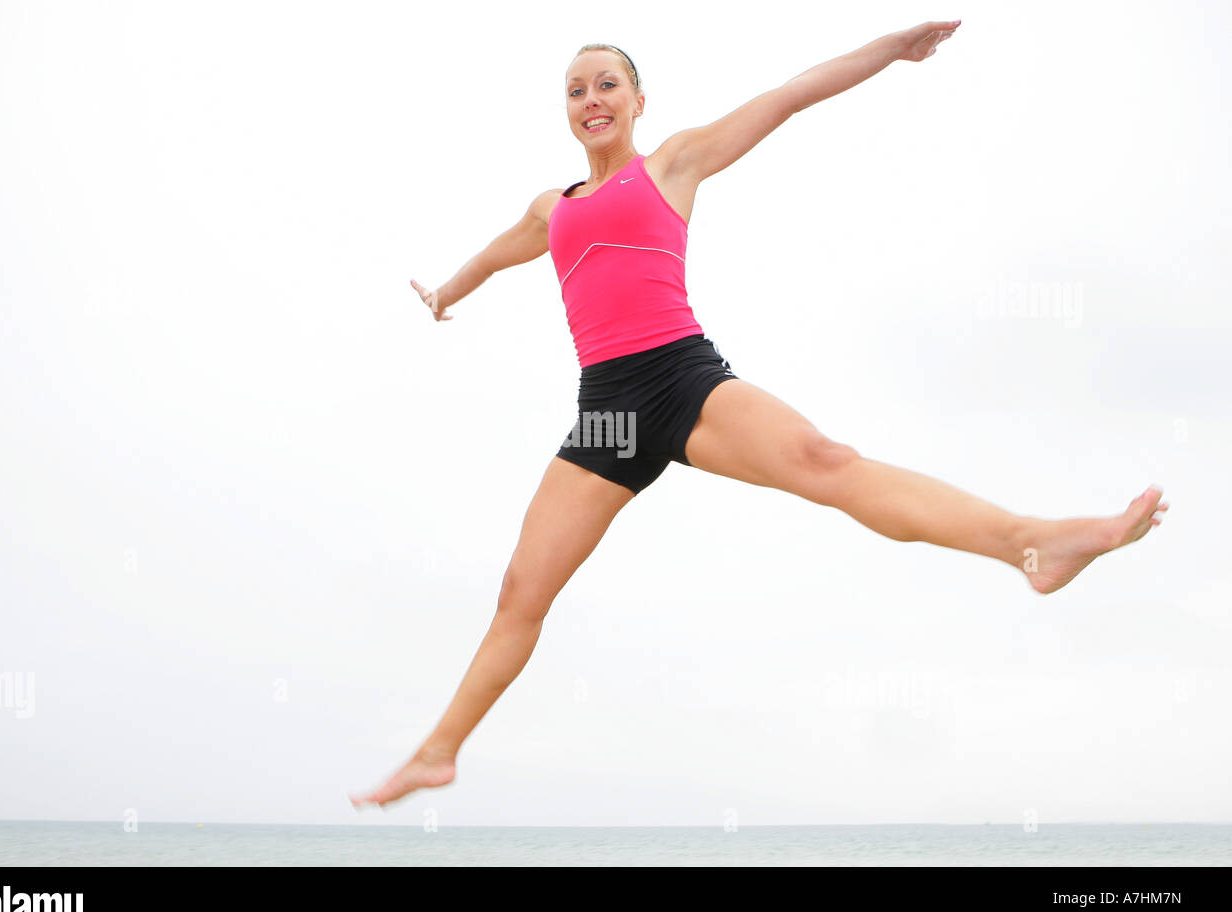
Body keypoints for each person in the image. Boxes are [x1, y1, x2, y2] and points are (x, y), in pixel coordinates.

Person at [352, 22, 1168, 810]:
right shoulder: (551, 207)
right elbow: (501, 249)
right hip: (605, 412)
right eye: (576, 90)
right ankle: (437, 752)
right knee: (521, 592)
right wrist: (447, 294)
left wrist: (890, 50)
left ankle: (1034, 543)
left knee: (826, 462)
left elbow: (788, 97)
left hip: (679, 377)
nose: (591, 99)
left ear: (639, 100)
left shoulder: (674, 163)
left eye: (607, 84)